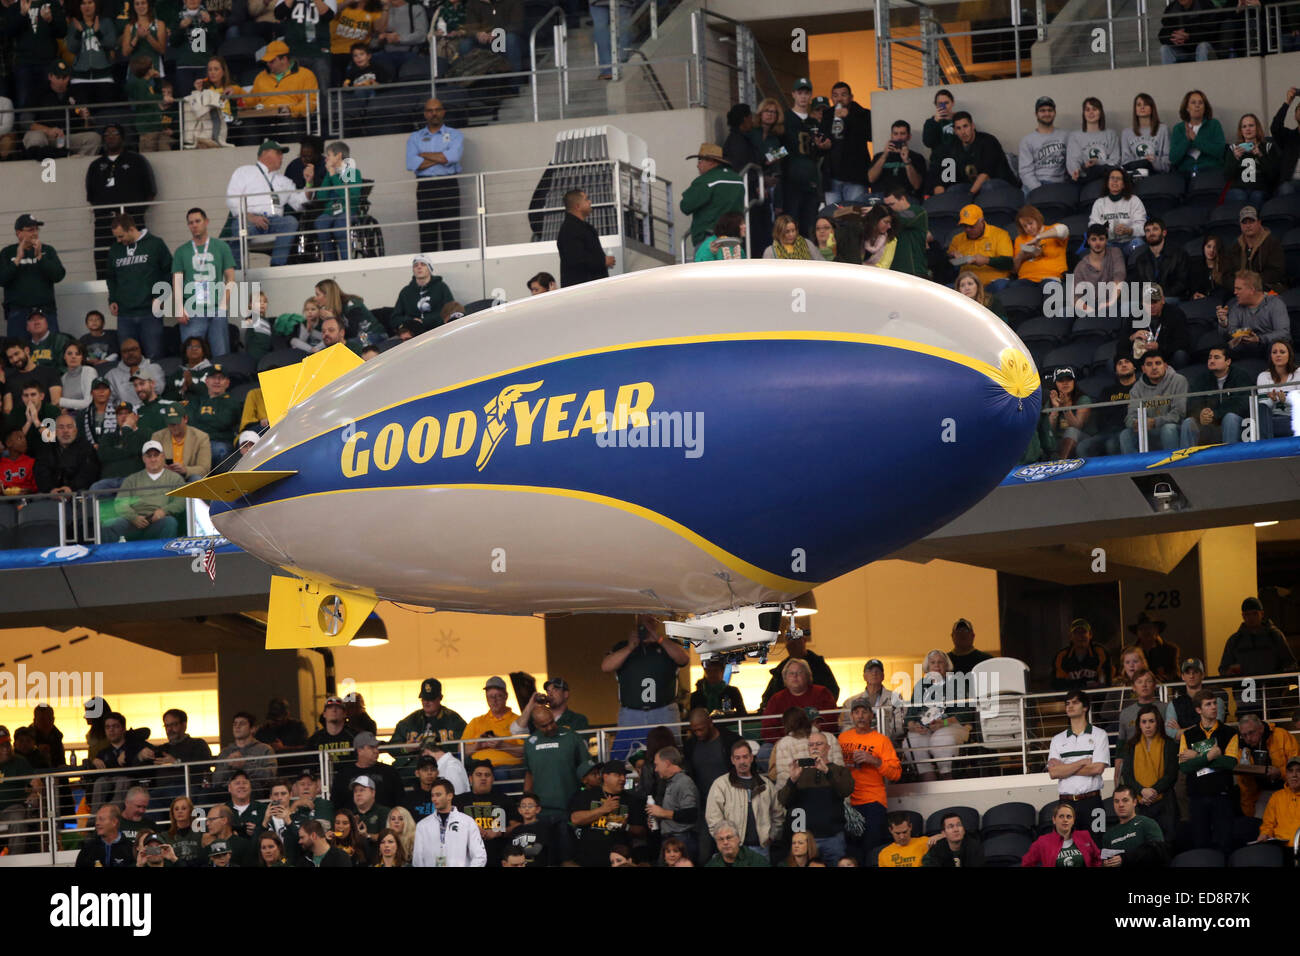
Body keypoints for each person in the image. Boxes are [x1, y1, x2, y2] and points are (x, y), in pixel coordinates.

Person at [602, 614, 687, 757]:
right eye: (643, 624)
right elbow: (606, 666)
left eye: (650, 622)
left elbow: (683, 658)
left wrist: (659, 639)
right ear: (636, 624)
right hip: (631, 713)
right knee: (625, 755)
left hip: (664, 711)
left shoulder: (669, 644)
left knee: (671, 754)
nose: (647, 627)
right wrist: (630, 648)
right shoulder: (623, 646)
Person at [225, 139, 308, 269]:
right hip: (249, 219)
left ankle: (277, 265)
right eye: (278, 153)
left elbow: (299, 204)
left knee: (290, 221)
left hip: (274, 221)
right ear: (265, 153)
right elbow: (232, 199)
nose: (282, 157)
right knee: (240, 228)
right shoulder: (244, 172)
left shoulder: (284, 181)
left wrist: (309, 182)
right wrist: (250, 216)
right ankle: (237, 270)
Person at [777, 729, 853, 864]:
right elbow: (783, 800)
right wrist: (792, 780)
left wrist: (827, 771)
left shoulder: (839, 770)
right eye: (811, 745)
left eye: (819, 744)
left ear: (828, 748)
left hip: (833, 837)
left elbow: (845, 790)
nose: (815, 747)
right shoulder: (799, 773)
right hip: (807, 839)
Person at [1179, 689, 1240, 854]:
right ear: (1199, 710)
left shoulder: (1230, 732)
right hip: (1197, 797)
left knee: (1225, 843)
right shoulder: (1188, 735)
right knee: (1200, 844)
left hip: (1223, 796)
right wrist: (1209, 756)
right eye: (1208, 704)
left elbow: (1230, 763)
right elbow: (1184, 767)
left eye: (1214, 703)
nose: (1214, 707)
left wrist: (1196, 756)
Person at [171, 207, 237, 360]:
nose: (194, 225)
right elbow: (177, 281)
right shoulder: (181, 251)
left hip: (216, 309)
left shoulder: (221, 247)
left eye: (197, 221)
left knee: (221, 355)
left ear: (206, 222)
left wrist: (222, 305)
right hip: (192, 311)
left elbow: (230, 279)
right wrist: (179, 308)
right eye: (190, 223)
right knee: (192, 356)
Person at [838, 702, 901, 854]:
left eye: (864, 712)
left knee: (872, 849)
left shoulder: (881, 740)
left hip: (873, 801)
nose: (860, 716)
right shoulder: (842, 738)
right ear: (851, 716)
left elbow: (896, 774)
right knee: (851, 850)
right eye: (856, 712)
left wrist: (873, 760)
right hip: (848, 801)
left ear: (871, 716)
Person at [705, 738, 782, 861]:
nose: (742, 761)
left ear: (751, 758)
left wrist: (772, 836)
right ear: (732, 760)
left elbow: (778, 814)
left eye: (745, 757)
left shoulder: (766, 785)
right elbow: (713, 818)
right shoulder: (721, 784)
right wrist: (725, 842)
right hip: (733, 850)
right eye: (738, 758)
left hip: (761, 848)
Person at [902, 649, 973, 781]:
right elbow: (910, 716)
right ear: (927, 668)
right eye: (933, 663)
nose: (937, 665)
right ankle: (929, 780)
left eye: (940, 662)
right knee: (911, 742)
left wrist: (943, 723)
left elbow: (965, 714)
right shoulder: (920, 685)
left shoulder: (957, 682)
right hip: (926, 729)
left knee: (941, 739)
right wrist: (913, 727)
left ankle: (946, 779)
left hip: (952, 726)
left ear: (947, 666)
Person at [1048, 689, 1111, 835]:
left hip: (1093, 801)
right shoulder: (1057, 739)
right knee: (1065, 846)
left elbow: (1097, 769)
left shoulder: (1100, 734)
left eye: (1075, 702)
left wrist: (1064, 768)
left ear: (1085, 707)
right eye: (1067, 703)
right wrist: (1081, 762)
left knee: (1097, 844)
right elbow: (1053, 772)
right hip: (1065, 802)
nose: (1070, 706)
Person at [406, 99, 464, 253]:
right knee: (427, 235)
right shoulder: (415, 137)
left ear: (443, 112)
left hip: (448, 186)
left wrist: (424, 155)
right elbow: (412, 163)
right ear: (425, 114)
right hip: (425, 187)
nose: (434, 113)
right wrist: (441, 158)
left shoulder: (455, 134)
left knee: (451, 235)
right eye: (430, 111)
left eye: (437, 110)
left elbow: (452, 157)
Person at [568, 760, 647, 867]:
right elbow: (575, 819)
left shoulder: (632, 800)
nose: (623, 779)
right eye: (618, 775)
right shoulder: (586, 795)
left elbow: (642, 832)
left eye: (624, 775)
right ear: (605, 776)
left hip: (620, 861)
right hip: (590, 859)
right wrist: (602, 809)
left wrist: (626, 826)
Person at [102, 440, 185, 540]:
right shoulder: (132, 479)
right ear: (143, 458)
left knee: (170, 522)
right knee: (109, 524)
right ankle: (110, 555)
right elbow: (120, 503)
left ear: (163, 456)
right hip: (133, 523)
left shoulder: (175, 478)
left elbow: (181, 501)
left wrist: (164, 511)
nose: (153, 459)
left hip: (158, 521)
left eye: (156, 455)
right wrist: (133, 517)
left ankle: (165, 554)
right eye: (149, 456)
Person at [1, 214, 66, 340]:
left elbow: (58, 276)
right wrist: (17, 259)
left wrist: (40, 258)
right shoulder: (7, 252)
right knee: (19, 353)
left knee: (51, 353)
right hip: (18, 314)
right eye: (30, 230)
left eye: (37, 229)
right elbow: (2, 279)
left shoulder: (47, 250)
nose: (35, 233)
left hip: (45, 312)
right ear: (19, 233)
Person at [679, 143, 745, 253]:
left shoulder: (706, 180)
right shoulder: (737, 179)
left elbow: (685, 206)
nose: (698, 165)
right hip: (734, 240)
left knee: (706, 269)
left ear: (711, 161)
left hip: (710, 241)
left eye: (700, 160)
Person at [814, 81, 871, 206]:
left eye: (843, 95)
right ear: (832, 98)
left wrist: (848, 117)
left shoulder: (863, 113)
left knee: (855, 216)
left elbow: (870, 135)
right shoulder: (828, 115)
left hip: (855, 176)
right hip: (832, 176)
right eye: (835, 95)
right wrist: (823, 145)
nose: (839, 98)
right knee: (832, 217)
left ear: (851, 97)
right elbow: (824, 139)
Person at [1180, 347, 1251, 447]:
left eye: (1216, 357)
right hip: (1209, 422)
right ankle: (1186, 460)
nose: (1212, 361)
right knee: (1188, 422)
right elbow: (1192, 402)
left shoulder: (1240, 376)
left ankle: (1230, 456)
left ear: (1228, 361)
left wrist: (1215, 414)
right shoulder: (1201, 378)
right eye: (1210, 358)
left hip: (1234, 421)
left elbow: (1242, 404)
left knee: (1230, 418)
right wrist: (1200, 414)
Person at [1119, 350, 1188, 454]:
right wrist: (1136, 423)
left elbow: (1179, 413)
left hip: (1174, 428)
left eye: (1158, 363)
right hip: (1148, 431)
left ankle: (1173, 465)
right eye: (1149, 364)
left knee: (1168, 429)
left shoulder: (1179, 381)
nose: (1154, 367)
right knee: (1125, 434)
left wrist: (1155, 422)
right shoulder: (1136, 388)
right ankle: (1136, 468)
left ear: (1165, 366)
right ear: (1143, 369)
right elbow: (1130, 417)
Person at [454, 761, 520, 865]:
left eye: (487, 775)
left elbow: (517, 826)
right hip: (467, 859)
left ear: (493, 779)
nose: (483, 778)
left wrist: (498, 832)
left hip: (498, 858)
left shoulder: (505, 799)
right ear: (470, 778)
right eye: (479, 775)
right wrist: (472, 830)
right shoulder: (458, 801)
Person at [1235, 712, 1299, 818]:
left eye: (1251, 733)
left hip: (1287, 789)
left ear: (1261, 728)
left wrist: (1279, 773)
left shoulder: (1281, 735)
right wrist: (1249, 812)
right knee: (1260, 823)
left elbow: (1297, 765)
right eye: (1244, 735)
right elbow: (1244, 786)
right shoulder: (1240, 747)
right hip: (1260, 793)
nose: (1248, 738)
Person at [781, 78, 822, 238]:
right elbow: (778, 147)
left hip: (811, 179)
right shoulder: (784, 119)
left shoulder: (814, 122)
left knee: (809, 224)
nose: (803, 97)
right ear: (793, 94)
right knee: (791, 223)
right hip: (791, 179)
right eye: (800, 93)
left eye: (806, 93)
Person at [311, 140, 364, 262]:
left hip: (348, 210)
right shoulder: (330, 174)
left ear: (338, 155)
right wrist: (330, 176)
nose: (326, 159)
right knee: (320, 223)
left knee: (340, 226)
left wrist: (333, 176)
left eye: (329, 155)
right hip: (331, 212)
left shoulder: (352, 172)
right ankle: (331, 261)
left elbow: (350, 197)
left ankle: (346, 260)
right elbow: (321, 196)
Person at [646, 746, 700, 861]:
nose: (655, 769)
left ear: (667, 763)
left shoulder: (683, 782)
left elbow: (691, 814)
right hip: (673, 839)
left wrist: (662, 813)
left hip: (682, 840)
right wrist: (658, 818)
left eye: (657, 764)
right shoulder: (671, 782)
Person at [462, 676, 523, 775]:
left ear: (506, 696)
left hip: (505, 769)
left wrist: (502, 745)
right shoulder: (476, 721)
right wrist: (477, 745)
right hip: (478, 769)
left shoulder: (518, 721)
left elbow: (525, 750)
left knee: (500, 773)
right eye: (490, 696)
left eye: (498, 696)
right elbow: (461, 750)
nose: (494, 700)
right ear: (486, 698)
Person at [1100, 784, 1172, 867]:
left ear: (1134, 802)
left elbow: (1159, 852)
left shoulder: (1147, 823)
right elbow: (1104, 861)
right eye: (1116, 801)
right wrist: (1105, 863)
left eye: (1125, 800)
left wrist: (1125, 858)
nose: (1120, 805)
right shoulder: (1108, 835)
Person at [947, 204, 1014, 291]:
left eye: (971, 226)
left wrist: (987, 261)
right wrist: (951, 255)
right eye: (964, 226)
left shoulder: (999, 235)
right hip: (966, 286)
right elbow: (946, 262)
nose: (967, 229)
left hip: (991, 284)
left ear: (981, 221)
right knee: (944, 290)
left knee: (1000, 285)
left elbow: (1008, 263)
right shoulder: (958, 238)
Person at [1221, 210, 1287, 296]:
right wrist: (1238, 286)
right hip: (1240, 291)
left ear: (1259, 223)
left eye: (1251, 221)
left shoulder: (1272, 243)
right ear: (1240, 225)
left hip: (1266, 288)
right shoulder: (1234, 247)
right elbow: (1226, 275)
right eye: (1244, 223)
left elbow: (1276, 271)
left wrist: (1252, 282)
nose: (1248, 226)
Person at [557, 187, 614, 286]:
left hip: (589, 288)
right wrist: (602, 261)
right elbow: (576, 260)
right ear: (578, 206)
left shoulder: (580, 227)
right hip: (583, 289)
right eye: (587, 199)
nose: (590, 202)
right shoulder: (570, 230)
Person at [840, 658, 905, 739]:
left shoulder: (895, 697)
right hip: (859, 743)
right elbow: (844, 727)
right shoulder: (850, 702)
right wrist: (863, 733)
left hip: (886, 741)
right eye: (870, 671)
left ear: (883, 676)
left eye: (878, 671)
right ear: (864, 676)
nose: (874, 673)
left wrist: (878, 733)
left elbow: (899, 725)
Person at [1089, 168, 1146, 258]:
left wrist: (1129, 230)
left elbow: (1143, 227)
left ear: (1123, 184)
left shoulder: (1134, 200)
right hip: (1108, 245)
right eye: (1112, 178)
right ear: (1107, 183)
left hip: (1130, 243)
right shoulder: (1099, 203)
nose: (1115, 181)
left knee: (1138, 244)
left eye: (1118, 179)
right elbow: (1093, 227)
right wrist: (1106, 231)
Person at [1021, 801, 1100, 867]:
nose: (1065, 820)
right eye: (1061, 816)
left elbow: (1098, 858)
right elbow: (1026, 863)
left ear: (1073, 821)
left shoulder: (1084, 836)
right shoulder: (1043, 841)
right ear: (1054, 820)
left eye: (1069, 817)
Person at [35, 414, 99, 493]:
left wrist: (71, 488)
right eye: (61, 427)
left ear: (75, 430)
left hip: (78, 493)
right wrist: (51, 489)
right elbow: (41, 473)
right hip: (50, 495)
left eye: (69, 427)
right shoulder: (47, 449)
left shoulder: (86, 448)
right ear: (55, 431)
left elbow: (88, 473)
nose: (65, 431)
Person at [1171, 90, 1226, 179]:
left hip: (1210, 173)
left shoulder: (1214, 124)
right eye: (1193, 103)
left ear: (1205, 108)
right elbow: (1173, 158)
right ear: (1187, 108)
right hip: (1185, 175)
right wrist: (1187, 140)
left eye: (1200, 103)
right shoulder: (1178, 129)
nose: (1197, 106)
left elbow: (1220, 151)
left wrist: (1196, 140)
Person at [1130, 219, 1189, 302]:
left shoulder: (1179, 254)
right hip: (1149, 300)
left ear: (1164, 233)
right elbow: (1137, 285)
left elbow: (1182, 283)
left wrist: (1160, 296)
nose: (1151, 233)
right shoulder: (1141, 259)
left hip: (1170, 297)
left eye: (1155, 229)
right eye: (1147, 230)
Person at [1019, 96, 1069, 194]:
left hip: (1060, 184)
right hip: (1036, 184)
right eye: (1042, 111)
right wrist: (1039, 189)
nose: (1047, 114)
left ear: (1054, 113)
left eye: (1050, 110)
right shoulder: (1027, 140)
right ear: (1036, 114)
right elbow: (1025, 172)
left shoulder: (1066, 136)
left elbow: (1072, 163)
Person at [1225, 113, 1277, 208]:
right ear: (1241, 131)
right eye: (1244, 126)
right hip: (1239, 188)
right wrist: (1236, 158)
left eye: (1251, 125)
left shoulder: (1268, 147)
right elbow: (1227, 176)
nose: (1247, 129)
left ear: (1257, 128)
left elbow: (1273, 176)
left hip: (1260, 188)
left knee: (1257, 196)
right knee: (1239, 195)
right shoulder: (1233, 148)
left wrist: (1260, 155)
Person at [866, 118, 925, 199]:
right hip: (881, 197)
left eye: (902, 133)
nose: (899, 137)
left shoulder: (917, 157)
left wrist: (906, 160)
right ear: (891, 136)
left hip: (905, 197)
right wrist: (884, 155)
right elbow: (871, 179)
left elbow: (917, 185)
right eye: (895, 134)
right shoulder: (879, 156)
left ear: (909, 136)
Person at [1010, 205, 1069, 286]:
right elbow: (1014, 270)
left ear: (1038, 219)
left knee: (1050, 287)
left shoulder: (1051, 230)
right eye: (1025, 226)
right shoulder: (1019, 239)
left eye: (1030, 223)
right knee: (1013, 287)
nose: (1029, 228)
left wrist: (1038, 237)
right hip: (1026, 278)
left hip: (1051, 277)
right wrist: (1022, 254)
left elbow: (1063, 229)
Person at [1253, 757, 1300, 855]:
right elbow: (1268, 824)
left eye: (1298, 771)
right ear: (1286, 774)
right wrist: (1264, 834)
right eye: (1290, 771)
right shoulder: (1276, 797)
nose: (1294, 775)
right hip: (1281, 849)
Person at [880, 188, 930, 278]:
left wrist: (879, 213)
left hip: (914, 269)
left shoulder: (918, 211)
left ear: (903, 199)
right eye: (887, 206)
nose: (889, 208)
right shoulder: (890, 217)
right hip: (893, 269)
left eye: (891, 204)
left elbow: (902, 218)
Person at [1066, 98, 1119, 184]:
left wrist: (1098, 162)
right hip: (1084, 179)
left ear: (1100, 112)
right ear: (1083, 113)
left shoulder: (1111, 134)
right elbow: (1074, 160)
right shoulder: (1075, 136)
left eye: (1094, 109)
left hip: (1108, 178)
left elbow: (1115, 161)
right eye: (1087, 110)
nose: (1091, 112)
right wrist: (1076, 171)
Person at [1122, 93, 1171, 176]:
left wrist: (1154, 161)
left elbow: (1167, 160)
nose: (1142, 107)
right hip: (1135, 175)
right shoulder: (1126, 133)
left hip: (1157, 174)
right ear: (1135, 109)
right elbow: (1125, 161)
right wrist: (1142, 162)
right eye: (1138, 105)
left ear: (1152, 108)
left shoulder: (1163, 129)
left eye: (1146, 104)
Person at [704, 820, 769, 867]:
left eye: (729, 837)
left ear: (738, 839)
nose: (725, 842)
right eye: (721, 839)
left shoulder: (756, 860)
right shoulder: (712, 864)